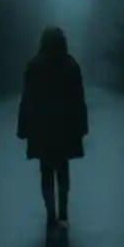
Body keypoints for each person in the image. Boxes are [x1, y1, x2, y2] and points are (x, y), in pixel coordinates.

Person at [17, 26, 88, 232]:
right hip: (65, 126)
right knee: (63, 168)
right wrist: (81, 126)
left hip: (42, 127)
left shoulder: (34, 66)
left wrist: (24, 127)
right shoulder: (70, 65)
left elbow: (27, 100)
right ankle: (63, 211)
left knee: (46, 170)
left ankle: (50, 213)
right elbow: (79, 99)